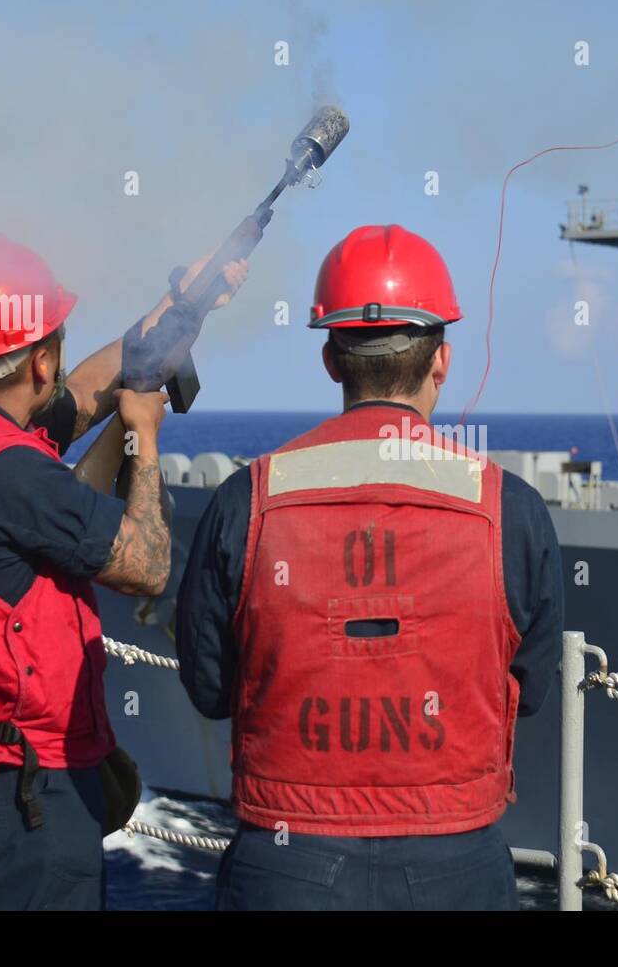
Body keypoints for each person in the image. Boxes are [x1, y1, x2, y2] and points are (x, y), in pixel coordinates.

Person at [176, 224, 564, 911]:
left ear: (331, 358)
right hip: (456, 862)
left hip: (287, 861)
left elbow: (210, 687)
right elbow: (528, 690)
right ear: (440, 361)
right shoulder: (511, 510)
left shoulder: (249, 502)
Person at [0, 233, 246, 910]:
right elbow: (147, 565)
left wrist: (181, 307)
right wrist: (142, 432)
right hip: (30, 796)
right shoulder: (14, 476)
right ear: (41, 359)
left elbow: (76, 397)